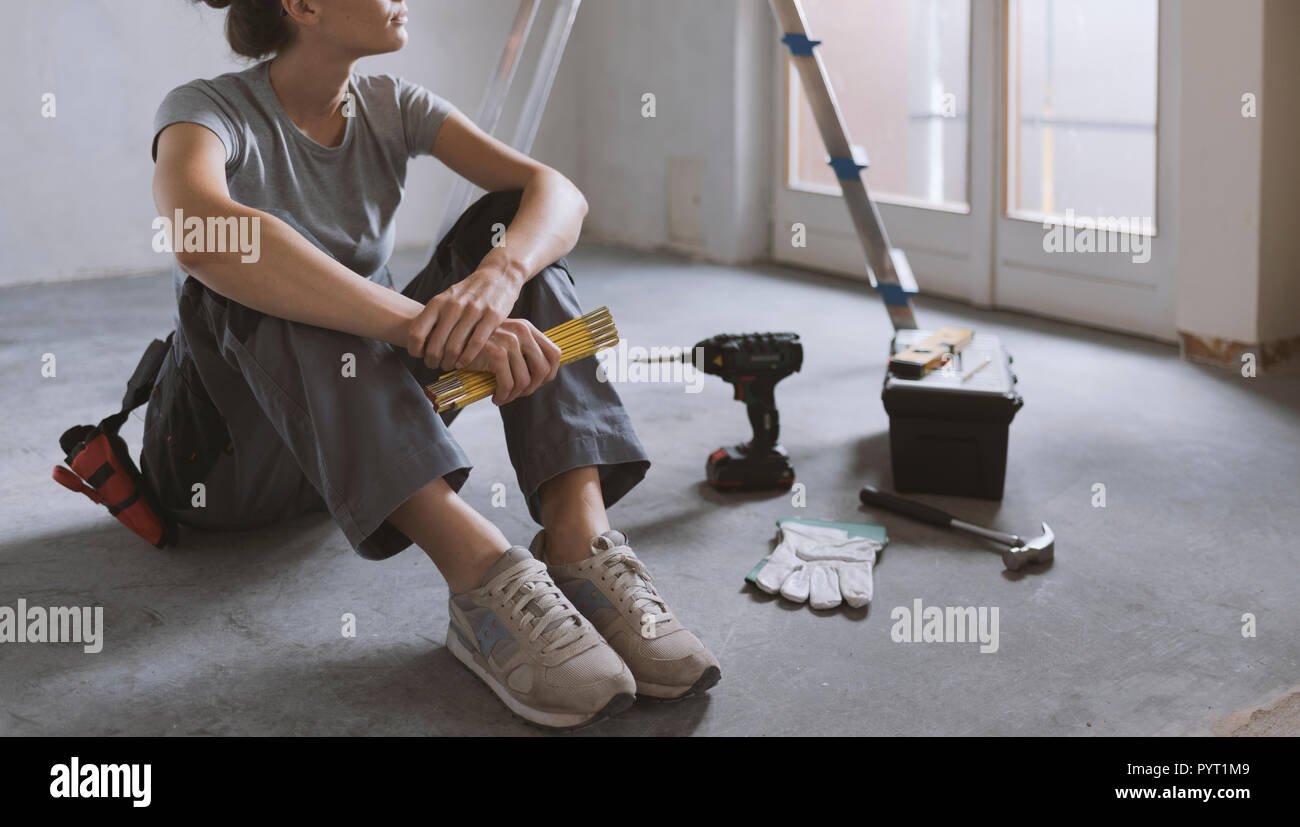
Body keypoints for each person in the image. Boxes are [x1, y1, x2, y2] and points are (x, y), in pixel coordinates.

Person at [146, 0, 720, 730]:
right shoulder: (204, 110)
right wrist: (418, 325)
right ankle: (483, 576)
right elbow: (198, 232)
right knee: (260, 276)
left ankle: (580, 543)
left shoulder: (392, 104)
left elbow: (556, 193)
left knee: (512, 227)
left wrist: (499, 277)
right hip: (227, 462)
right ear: (304, 6)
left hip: (351, 437)